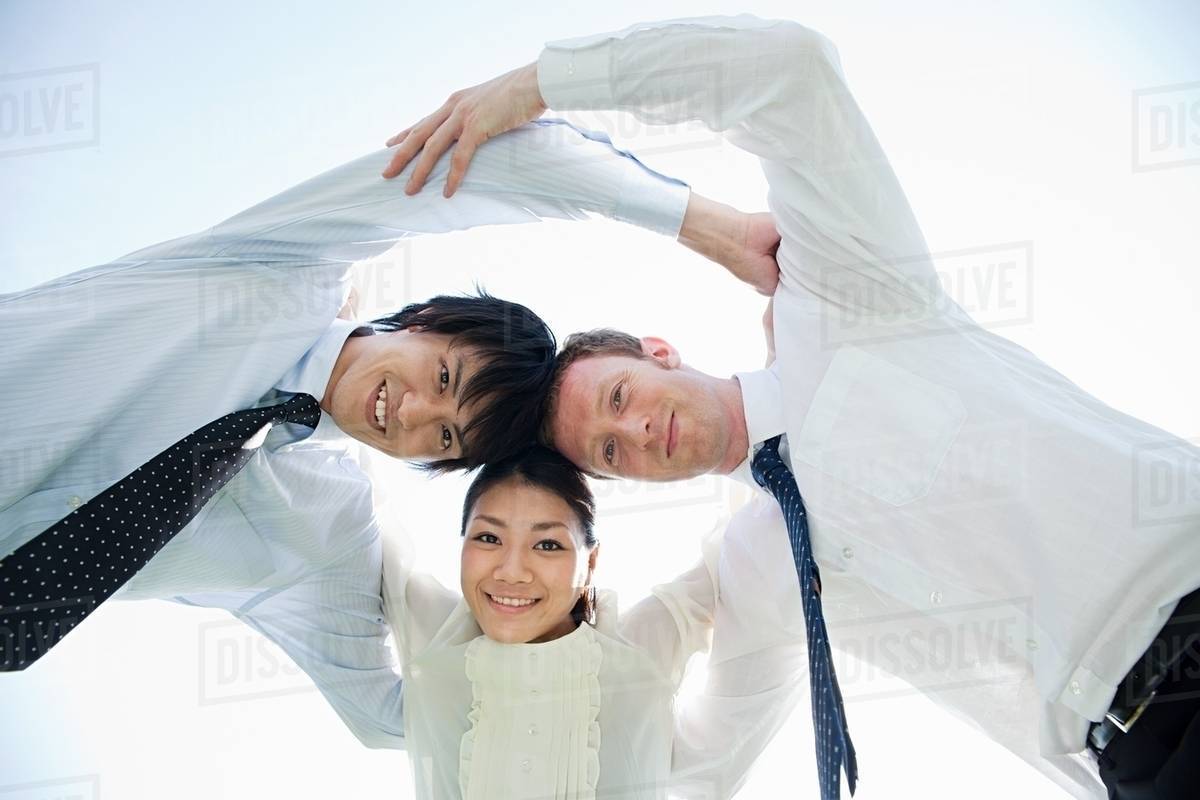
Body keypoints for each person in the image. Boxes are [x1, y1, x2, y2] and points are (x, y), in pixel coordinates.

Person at [386, 14, 1200, 798]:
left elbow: (789, 72)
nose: (633, 431)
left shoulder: (847, 304)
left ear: (658, 350)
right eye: (608, 451)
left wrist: (537, 86)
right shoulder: (754, 563)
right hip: (1138, 766)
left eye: (620, 395)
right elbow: (699, 766)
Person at [0, 114, 774, 746]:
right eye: (441, 378)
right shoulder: (279, 270)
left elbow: (392, 718)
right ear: (421, 318)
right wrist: (714, 228)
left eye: (442, 438)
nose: (408, 413)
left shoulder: (325, 525)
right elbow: (510, 158)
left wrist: (619, 653)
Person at [376, 444, 810, 800]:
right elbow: (354, 516)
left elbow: (756, 542)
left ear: (592, 562)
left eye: (547, 545)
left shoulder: (640, 650)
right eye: (488, 537)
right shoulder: (431, 629)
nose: (511, 571)